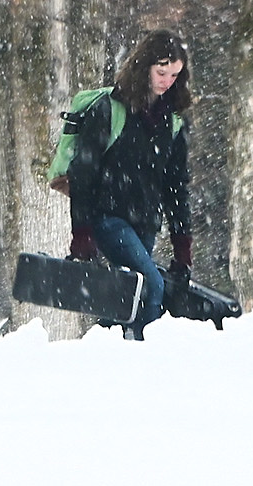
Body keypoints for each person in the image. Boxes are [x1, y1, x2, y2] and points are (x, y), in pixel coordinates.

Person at [46, 31, 194, 338]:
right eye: (161, 72)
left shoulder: (173, 121)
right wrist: (82, 235)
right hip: (107, 217)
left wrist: (182, 245)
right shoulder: (109, 110)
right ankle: (140, 358)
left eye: (174, 74)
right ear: (144, 67)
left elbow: (176, 186)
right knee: (149, 285)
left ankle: (106, 349)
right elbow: (84, 176)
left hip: (146, 222)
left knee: (127, 299)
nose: (167, 81)